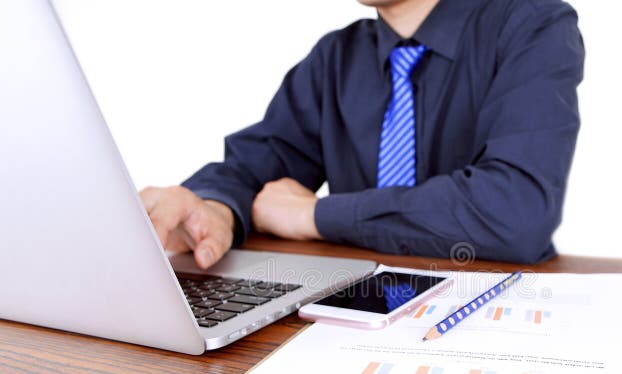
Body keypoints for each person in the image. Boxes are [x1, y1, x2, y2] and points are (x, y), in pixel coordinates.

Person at [140, 0, 584, 269]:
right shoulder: (336, 58)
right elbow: (255, 166)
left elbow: (516, 210)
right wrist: (216, 209)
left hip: (497, 315)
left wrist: (315, 215)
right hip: (357, 319)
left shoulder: (531, 25)